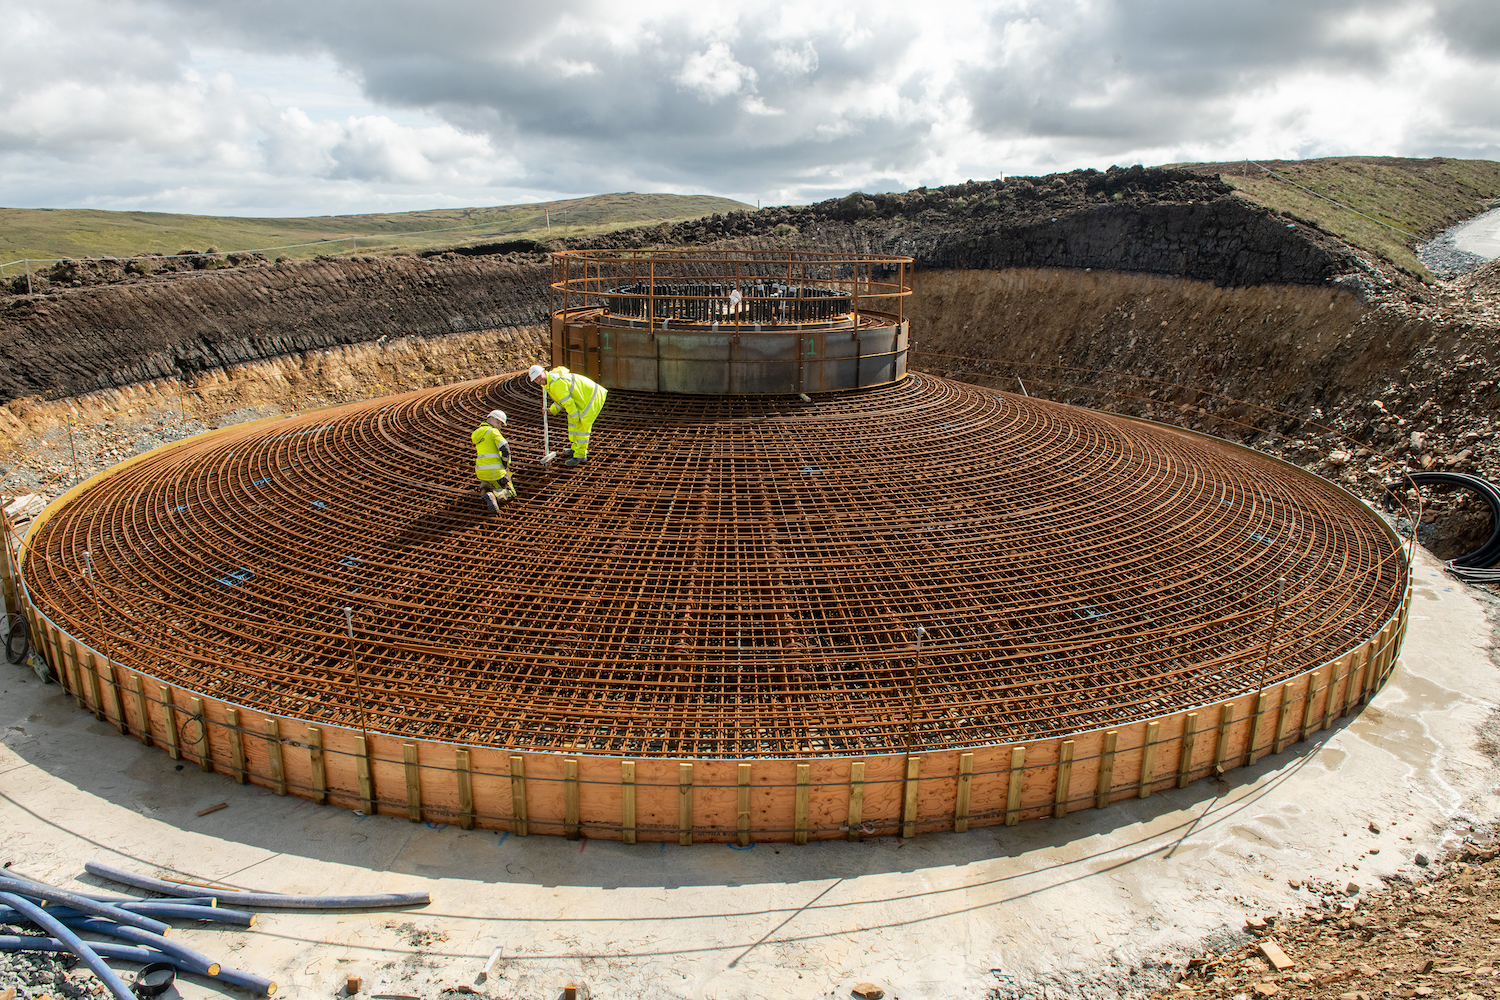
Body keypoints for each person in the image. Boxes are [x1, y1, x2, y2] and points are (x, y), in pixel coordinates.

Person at [528, 364, 606, 467]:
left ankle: (580, 456)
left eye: (538, 377)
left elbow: (568, 402)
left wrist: (575, 416)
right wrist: (552, 410)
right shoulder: (550, 382)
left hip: (590, 399)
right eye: (536, 380)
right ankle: (575, 449)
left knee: (581, 427)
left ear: (543, 372)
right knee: (573, 425)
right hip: (582, 399)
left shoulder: (556, 383)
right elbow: (562, 399)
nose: (538, 380)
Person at [471, 409, 516, 511]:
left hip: (480, 471)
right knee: (511, 493)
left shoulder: (477, 433)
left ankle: (485, 493)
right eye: (499, 423)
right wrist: (505, 466)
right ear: (490, 420)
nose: (500, 427)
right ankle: (494, 495)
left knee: (486, 484)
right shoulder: (493, 432)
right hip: (495, 471)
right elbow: (505, 448)